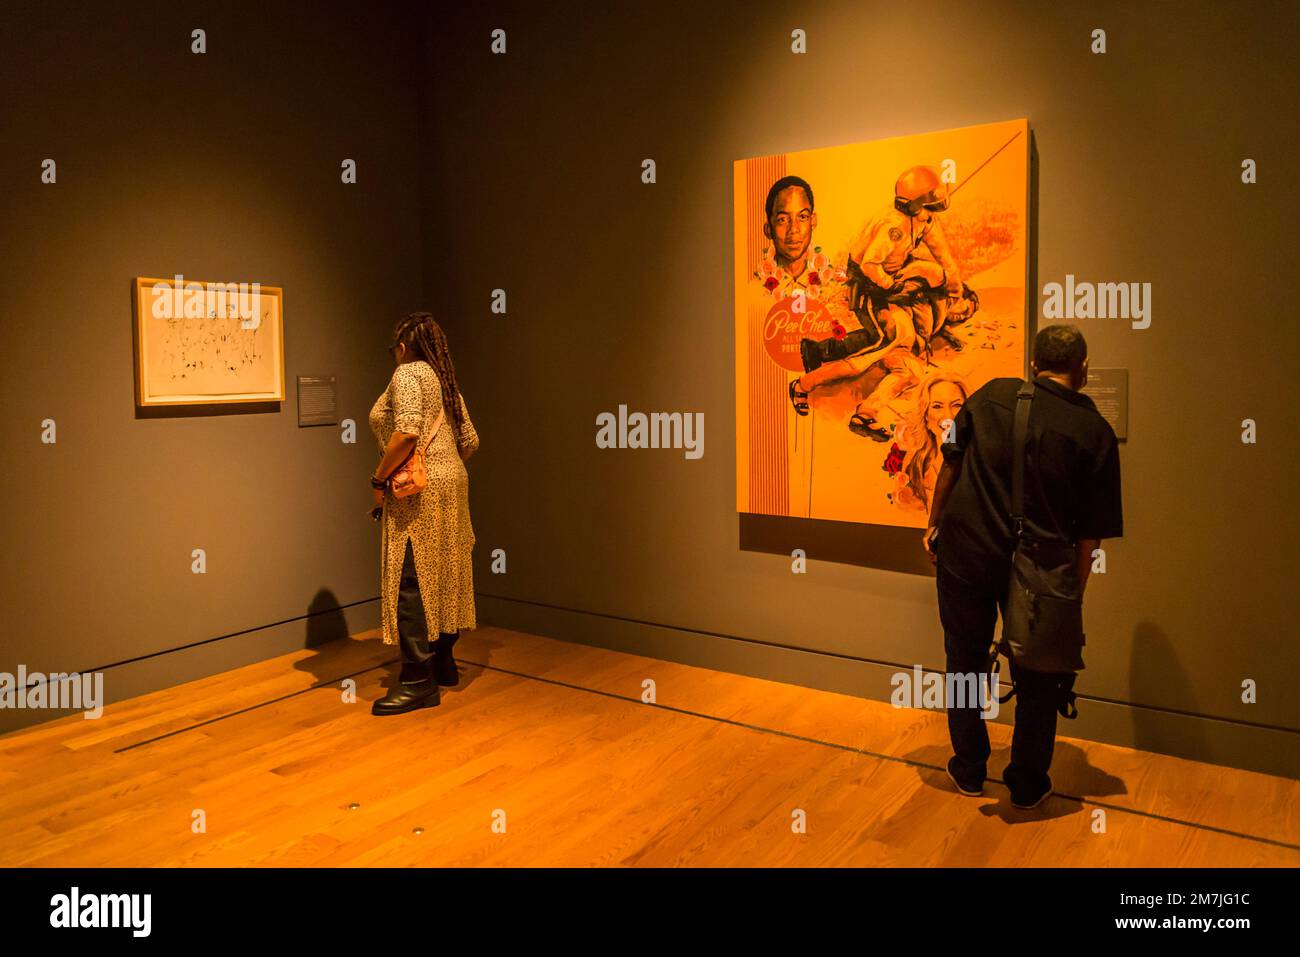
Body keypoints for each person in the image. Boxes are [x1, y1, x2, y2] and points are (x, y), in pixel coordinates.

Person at [922, 324, 1123, 808]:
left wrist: (934, 524)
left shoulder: (992, 395)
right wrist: (1072, 592)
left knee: (964, 658)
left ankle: (970, 767)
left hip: (967, 551)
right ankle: (1027, 781)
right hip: (1039, 571)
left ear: (1033, 366)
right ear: (1084, 369)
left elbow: (951, 458)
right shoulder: (1094, 432)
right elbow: (1088, 535)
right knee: (1038, 674)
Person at [367, 312, 479, 716]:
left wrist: (380, 479)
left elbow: (407, 431)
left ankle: (417, 681)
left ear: (401, 347)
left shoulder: (409, 374)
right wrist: (444, 466)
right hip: (451, 483)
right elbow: (470, 439)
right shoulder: (444, 378)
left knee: (411, 578)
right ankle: (444, 662)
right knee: (447, 570)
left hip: (421, 492)